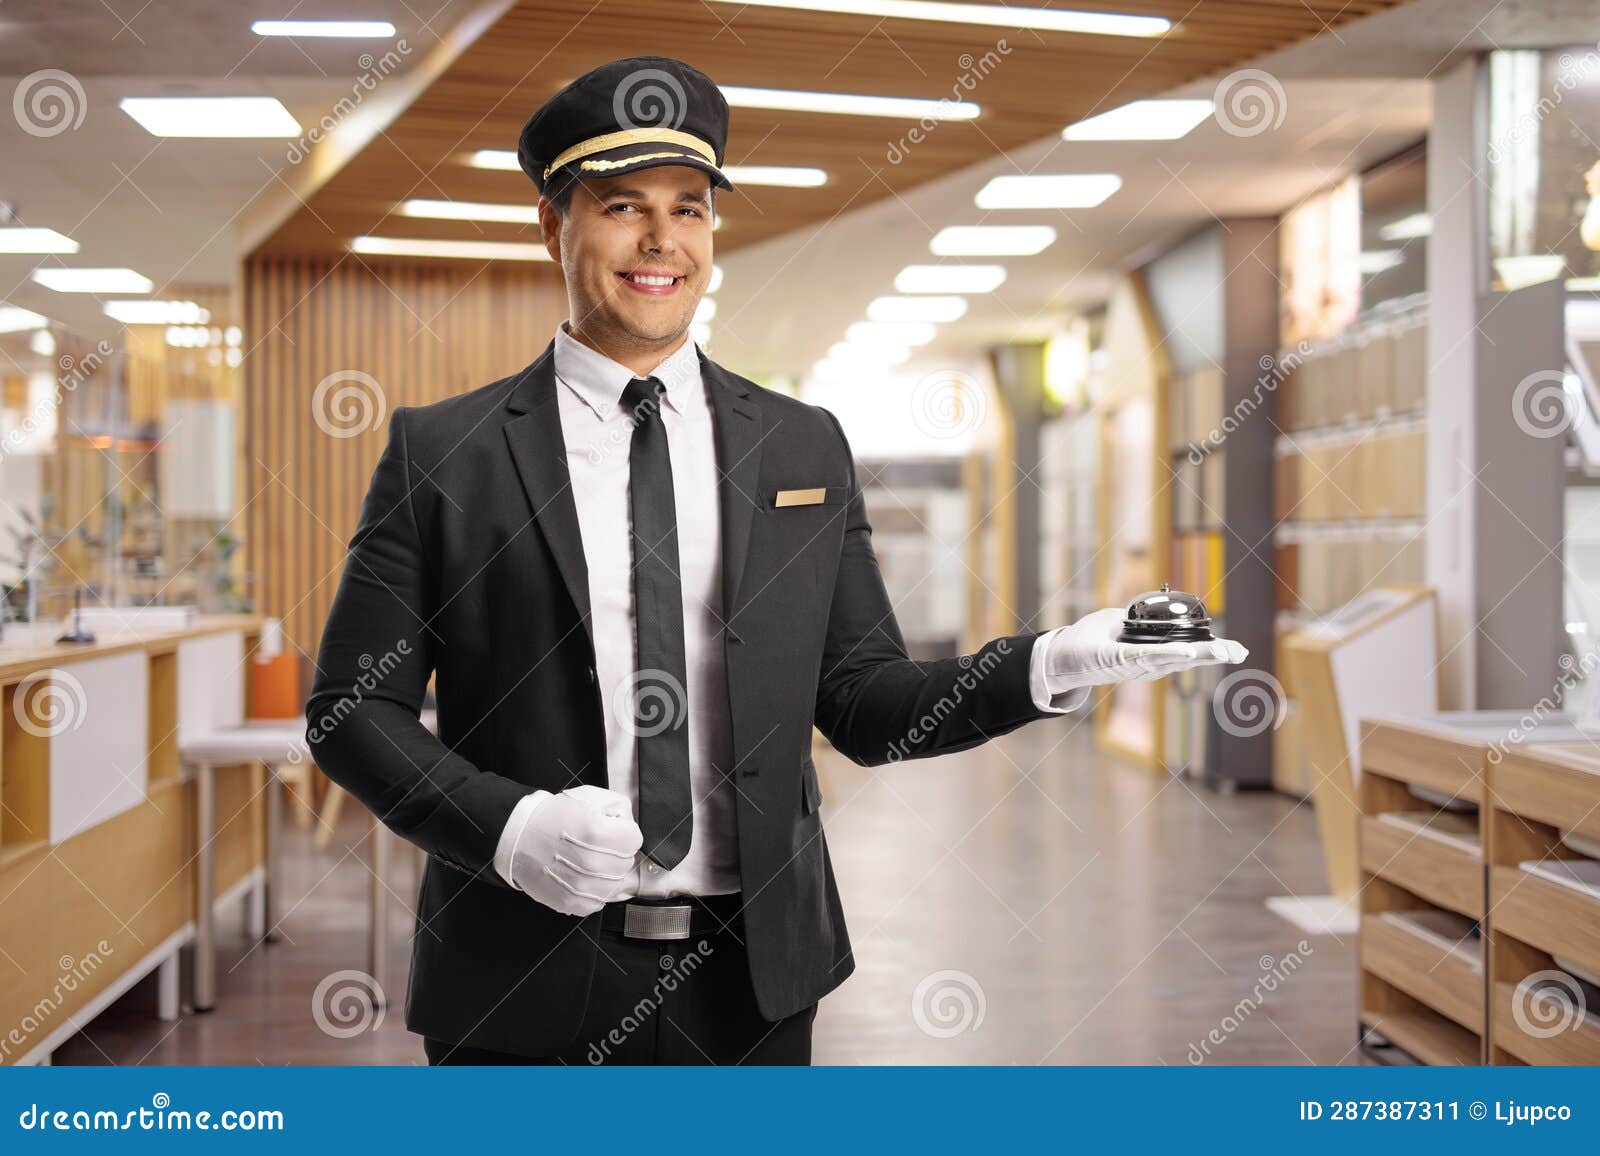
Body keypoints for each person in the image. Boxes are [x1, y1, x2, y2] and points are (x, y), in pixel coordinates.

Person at [306, 55, 1246, 1066]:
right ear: (553, 224)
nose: (662, 240)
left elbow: (863, 700)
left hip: (752, 984)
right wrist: (506, 827)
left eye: (691, 208)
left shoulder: (799, 446)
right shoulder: (447, 451)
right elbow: (351, 711)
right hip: (517, 978)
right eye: (624, 206)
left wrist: (1049, 662)